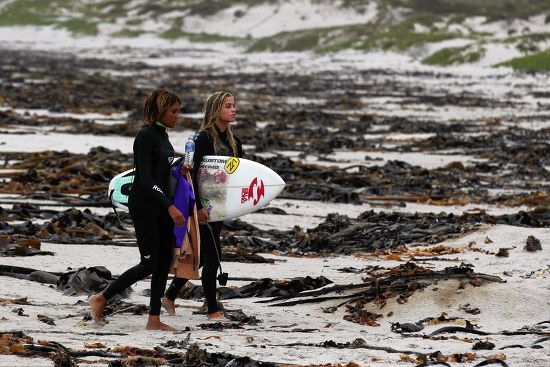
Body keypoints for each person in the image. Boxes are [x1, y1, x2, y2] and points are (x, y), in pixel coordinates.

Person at [89, 89, 186, 331]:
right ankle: (101, 298)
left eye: (178, 111)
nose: (178, 116)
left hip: (161, 205)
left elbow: (162, 173)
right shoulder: (145, 136)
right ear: (160, 110)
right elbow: (144, 178)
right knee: (149, 263)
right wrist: (170, 206)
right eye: (173, 111)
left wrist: (179, 170)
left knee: (164, 262)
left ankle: (154, 319)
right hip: (144, 205)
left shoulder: (164, 137)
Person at [162, 91, 242, 320]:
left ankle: (169, 296)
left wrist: (236, 206)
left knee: (205, 258)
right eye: (228, 106)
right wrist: (197, 208)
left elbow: (236, 177)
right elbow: (192, 175)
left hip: (218, 207)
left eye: (234, 105)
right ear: (216, 110)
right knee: (213, 258)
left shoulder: (235, 142)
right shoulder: (203, 139)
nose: (234, 109)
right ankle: (213, 310)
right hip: (201, 208)